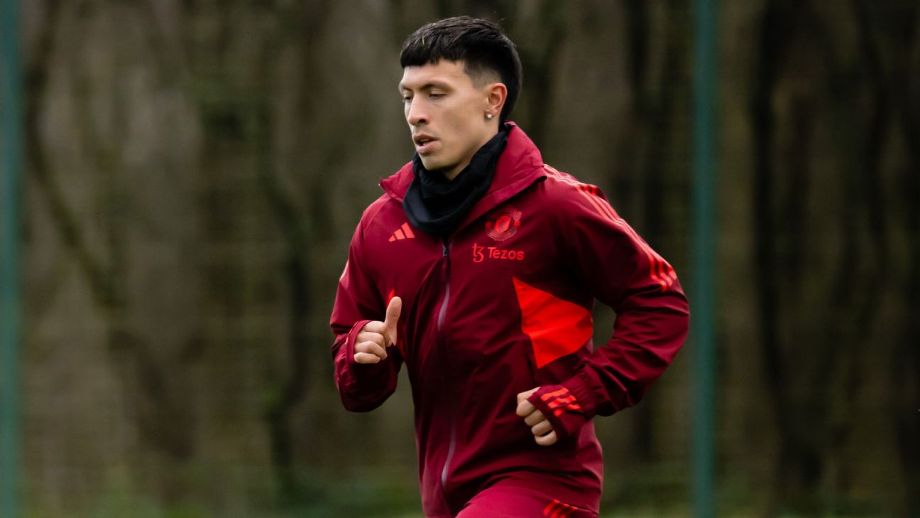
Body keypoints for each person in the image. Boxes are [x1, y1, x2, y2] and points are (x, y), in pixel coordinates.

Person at [330, 16, 689, 518]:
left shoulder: (557, 205)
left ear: (492, 101)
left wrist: (585, 390)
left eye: (436, 93)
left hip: (545, 481)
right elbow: (356, 381)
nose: (415, 114)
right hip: (442, 491)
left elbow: (660, 300)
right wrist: (362, 354)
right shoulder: (381, 224)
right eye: (408, 96)